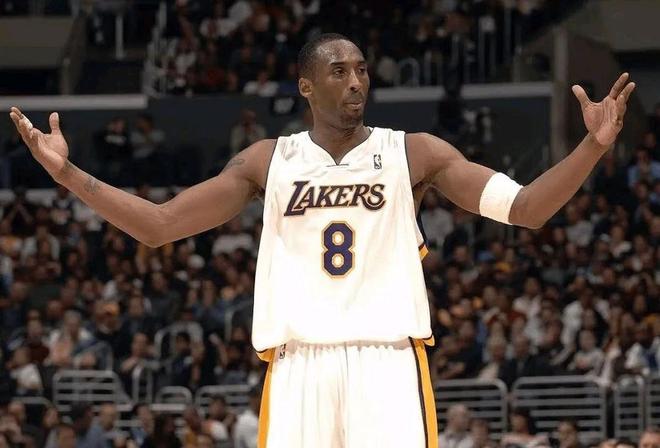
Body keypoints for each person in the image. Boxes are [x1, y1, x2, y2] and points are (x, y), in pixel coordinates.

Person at [9, 32, 636, 448]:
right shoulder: (267, 160)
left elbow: (527, 209)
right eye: (339, 71)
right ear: (307, 86)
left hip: (386, 360)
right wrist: (67, 175)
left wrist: (592, 146)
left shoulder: (414, 153)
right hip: (298, 364)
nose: (356, 81)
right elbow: (159, 225)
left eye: (361, 70)